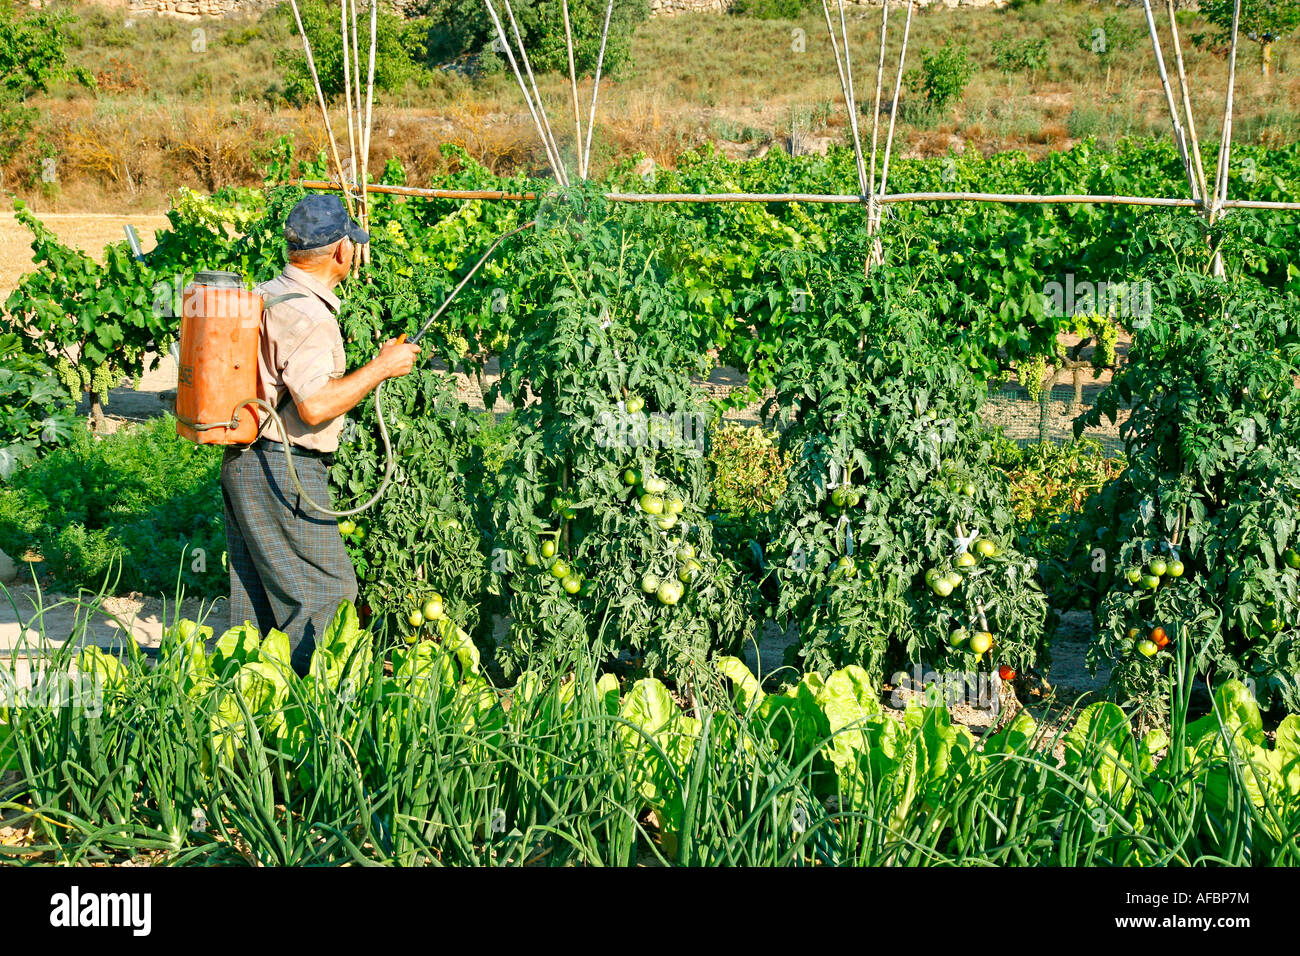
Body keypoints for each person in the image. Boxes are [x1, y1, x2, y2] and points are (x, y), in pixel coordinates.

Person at [220, 194, 420, 675]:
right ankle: (316, 717)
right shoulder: (309, 315)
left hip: (245, 462)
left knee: (259, 603)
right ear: (339, 253)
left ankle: (253, 714)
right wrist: (381, 368)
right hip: (283, 468)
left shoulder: (270, 293)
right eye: (352, 243)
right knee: (327, 595)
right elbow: (313, 406)